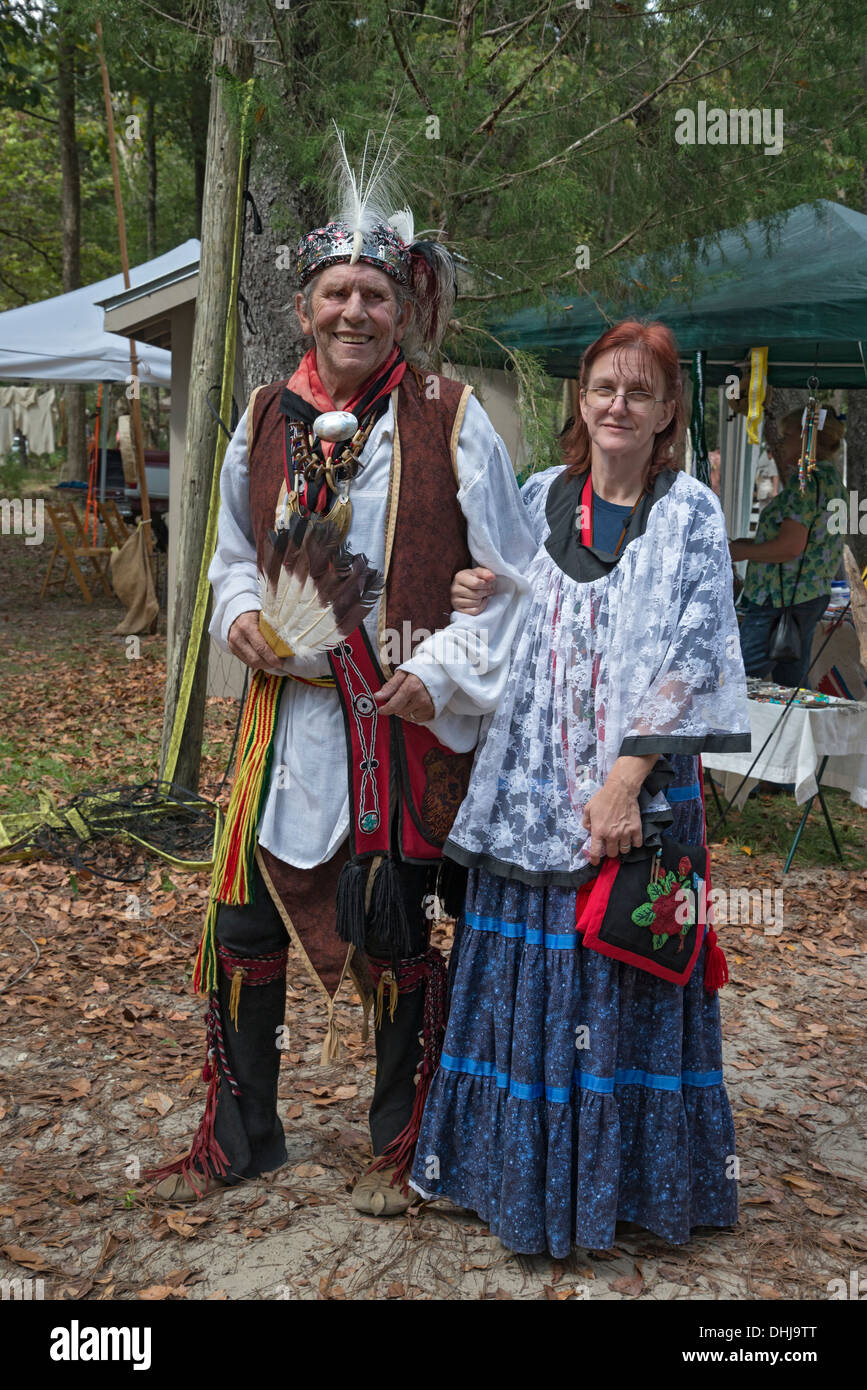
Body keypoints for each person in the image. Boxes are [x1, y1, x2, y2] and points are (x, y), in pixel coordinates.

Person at [148, 141, 536, 1215]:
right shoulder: (264, 416)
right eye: (336, 293)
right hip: (284, 724)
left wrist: (447, 665)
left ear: (405, 307)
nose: (354, 311)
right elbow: (230, 551)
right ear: (309, 306)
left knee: (395, 930)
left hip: (397, 723)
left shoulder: (453, 418)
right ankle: (244, 1134)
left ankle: (404, 1140)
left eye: (374, 292)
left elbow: (514, 581)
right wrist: (238, 617)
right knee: (240, 926)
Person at [409, 320, 752, 1257]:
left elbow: (693, 657)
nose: (617, 405)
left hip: (628, 794)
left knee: (613, 977)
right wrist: (476, 591)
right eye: (603, 387)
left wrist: (623, 785)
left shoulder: (688, 513)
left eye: (639, 393)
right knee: (527, 981)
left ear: (668, 411)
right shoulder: (532, 497)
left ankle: (622, 1193)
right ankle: (504, 1177)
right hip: (527, 795)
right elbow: (505, 609)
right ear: (581, 399)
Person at [729, 407, 846, 689]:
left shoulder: (805, 483)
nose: (779, 444)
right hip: (808, 595)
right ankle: (791, 732)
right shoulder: (831, 481)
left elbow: (790, 547)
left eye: (786, 436)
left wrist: (741, 552)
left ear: (808, 440)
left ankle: (739, 734)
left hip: (781, 599)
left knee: (743, 681)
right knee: (790, 683)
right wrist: (745, 545)